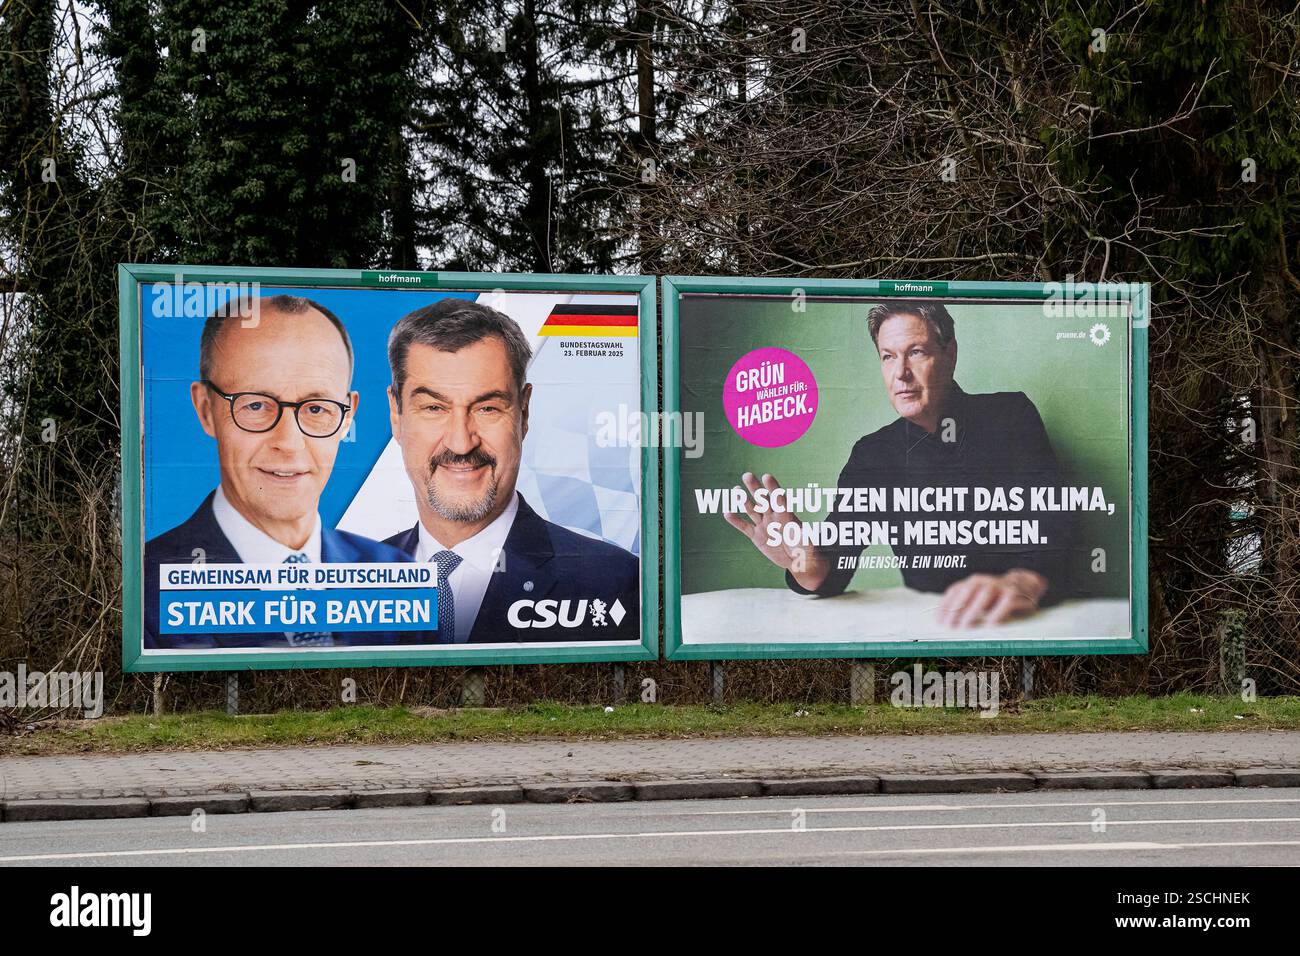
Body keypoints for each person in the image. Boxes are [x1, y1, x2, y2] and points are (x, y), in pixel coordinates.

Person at [725, 300, 1075, 628]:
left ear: (950, 354)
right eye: (888, 357)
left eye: (916, 352)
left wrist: (1021, 581)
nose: (901, 373)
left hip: (1026, 624)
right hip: (930, 631)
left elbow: (1055, 522)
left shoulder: (1011, 415)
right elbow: (831, 565)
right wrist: (805, 562)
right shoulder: (872, 455)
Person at [144, 294, 414, 649]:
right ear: (206, 409)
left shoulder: (399, 579)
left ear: (347, 416)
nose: (288, 442)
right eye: (256, 405)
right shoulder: (144, 591)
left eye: (316, 409)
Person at [384, 298, 639, 643]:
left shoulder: (613, 582)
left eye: (488, 408)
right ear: (396, 415)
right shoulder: (340, 582)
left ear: (524, 413)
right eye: (433, 408)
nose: (461, 443)